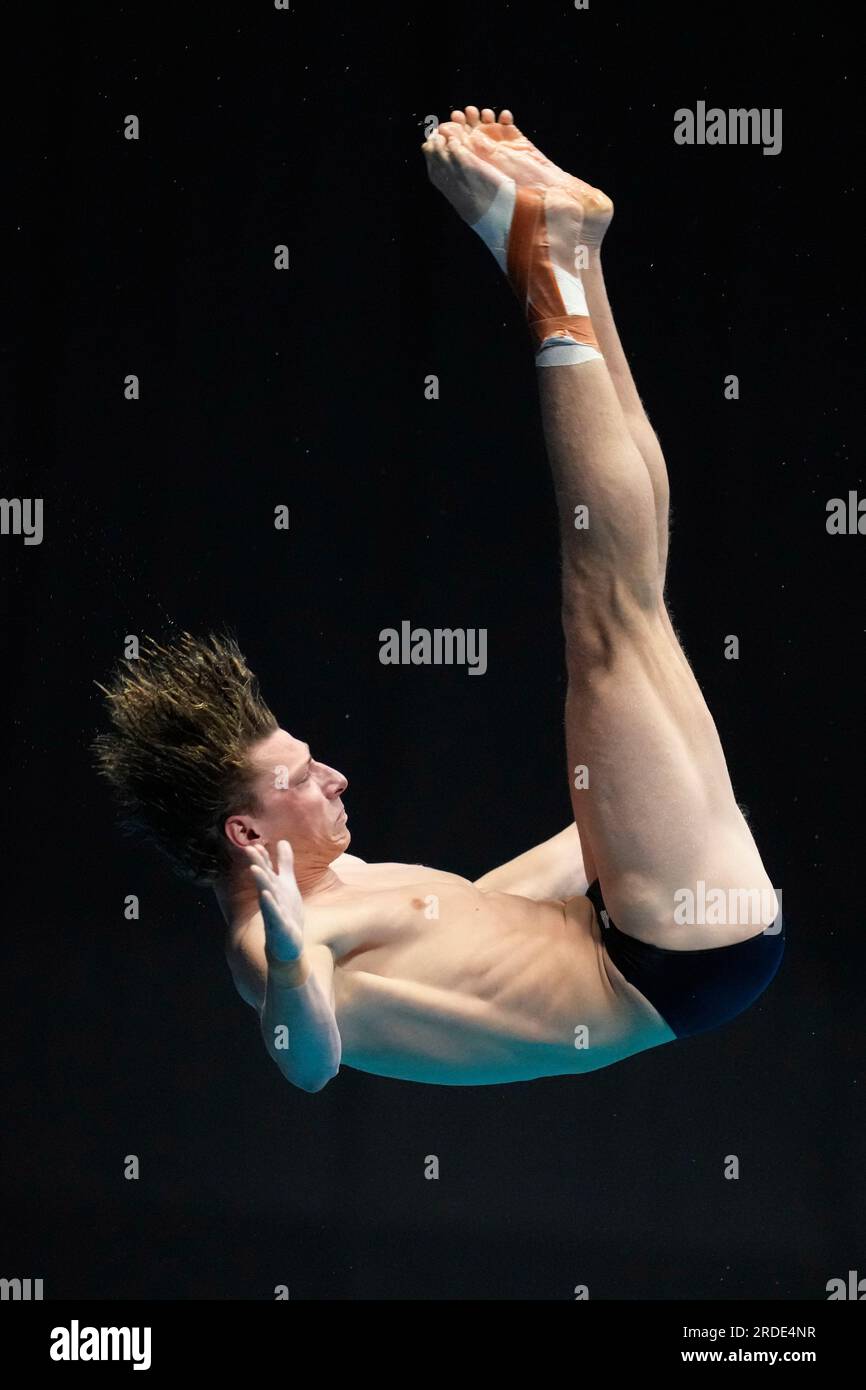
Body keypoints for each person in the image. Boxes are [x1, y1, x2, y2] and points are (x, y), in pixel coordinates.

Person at [94, 106, 784, 1091]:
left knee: (631, 599)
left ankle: (570, 255)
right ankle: (544, 266)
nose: (332, 774)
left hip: (648, 933)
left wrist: (638, 799)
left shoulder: (358, 887)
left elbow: (502, 928)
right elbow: (307, 1063)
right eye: (297, 775)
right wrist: (290, 967)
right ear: (244, 834)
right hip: (656, 954)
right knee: (607, 617)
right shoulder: (279, 942)